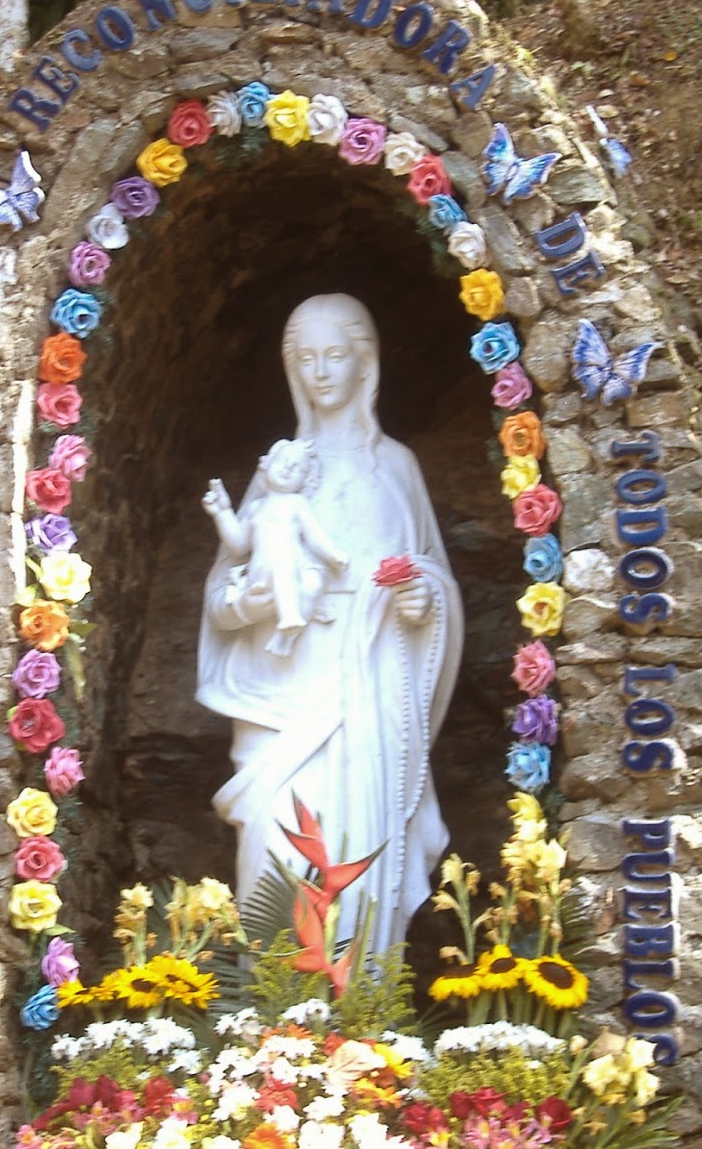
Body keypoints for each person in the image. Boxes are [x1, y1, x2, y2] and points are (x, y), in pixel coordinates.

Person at [197, 293, 463, 958]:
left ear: (364, 363)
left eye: (335, 355)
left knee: (359, 854)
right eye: (306, 358)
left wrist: (419, 601)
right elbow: (224, 590)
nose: (320, 372)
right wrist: (255, 602)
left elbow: (433, 578)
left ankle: (363, 1005)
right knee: (274, 843)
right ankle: (271, 1008)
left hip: (367, 689)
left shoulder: (395, 467)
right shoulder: (278, 471)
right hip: (280, 687)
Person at [202, 437, 350, 657]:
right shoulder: (256, 507)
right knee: (282, 567)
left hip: (299, 563)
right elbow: (239, 546)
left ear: (306, 481)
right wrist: (223, 513)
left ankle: (287, 635)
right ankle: (290, 616)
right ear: (266, 464)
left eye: (298, 468)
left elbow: (315, 536)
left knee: (313, 584)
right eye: (283, 460)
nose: (288, 468)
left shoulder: (297, 504)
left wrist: (333, 554)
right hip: (266, 568)